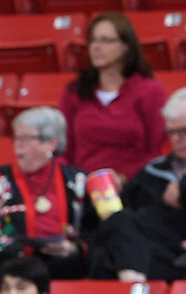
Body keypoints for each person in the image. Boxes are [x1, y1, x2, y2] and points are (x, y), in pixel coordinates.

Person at [88, 88, 186, 283]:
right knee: (116, 225)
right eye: (171, 132)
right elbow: (116, 218)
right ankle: (133, 283)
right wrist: (114, 192)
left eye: (185, 131)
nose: (176, 140)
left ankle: (132, 286)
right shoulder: (153, 171)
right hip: (144, 251)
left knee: (114, 252)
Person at [0, 107, 95, 281]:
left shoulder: (77, 180)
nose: (18, 145)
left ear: (51, 143)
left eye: (26, 138)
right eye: (16, 138)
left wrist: (74, 248)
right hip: (5, 265)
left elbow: (98, 231)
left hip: (62, 267)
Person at [60, 13, 167, 181]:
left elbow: (158, 150)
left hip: (135, 185)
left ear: (125, 46)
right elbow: (62, 148)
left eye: (106, 41)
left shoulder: (149, 91)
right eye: (93, 41)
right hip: (84, 184)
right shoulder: (74, 92)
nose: (96, 47)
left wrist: (127, 178)